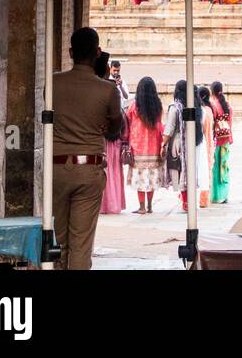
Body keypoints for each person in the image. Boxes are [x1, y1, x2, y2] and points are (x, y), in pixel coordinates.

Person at [51, 26, 123, 270]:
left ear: (71, 52)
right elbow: (116, 129)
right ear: (98, 52)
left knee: (59, 242)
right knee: (80, 244)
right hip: (88, 170)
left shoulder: (52, 83)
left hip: (56, 170)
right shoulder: (108, 89)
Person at [163, 79, 207, 210]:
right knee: (190, 172)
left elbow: (169, 128)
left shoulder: (175, 107)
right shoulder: (197, 106)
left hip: (179, 143)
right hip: (194, 142)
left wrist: (162, 144)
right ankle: (188, 201)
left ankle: (186, 202)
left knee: (181, 171)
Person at [126, 76, 164, 214]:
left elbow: (128, 123)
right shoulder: (158, 106)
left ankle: (141, 207)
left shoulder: (135, 106)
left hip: (138, 147)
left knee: (140, 179)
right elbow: (160, 125)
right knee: (151, 177)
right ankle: (149, 206)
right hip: (154, 147)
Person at [96, 52, 126, 215]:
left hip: (97, 137)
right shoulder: (110, 89)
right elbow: (117, 117)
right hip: (109, 138)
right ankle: (111, 204)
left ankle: (103, 205)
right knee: (111, 170)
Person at [210, 81, 233, 203]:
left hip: (216, 141)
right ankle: (224, 194)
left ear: (212, 91)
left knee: (215, 167)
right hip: (225, 140)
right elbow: (230, 123)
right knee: (224, 167)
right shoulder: (227, 105)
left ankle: (216, 196)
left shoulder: (213, 106)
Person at [198, 85, 214, 206]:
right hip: (209, 142)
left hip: (202, 142)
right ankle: (205, 200)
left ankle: (201, 200)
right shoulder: (210, 109)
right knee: (206, 171)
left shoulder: (201, 110)